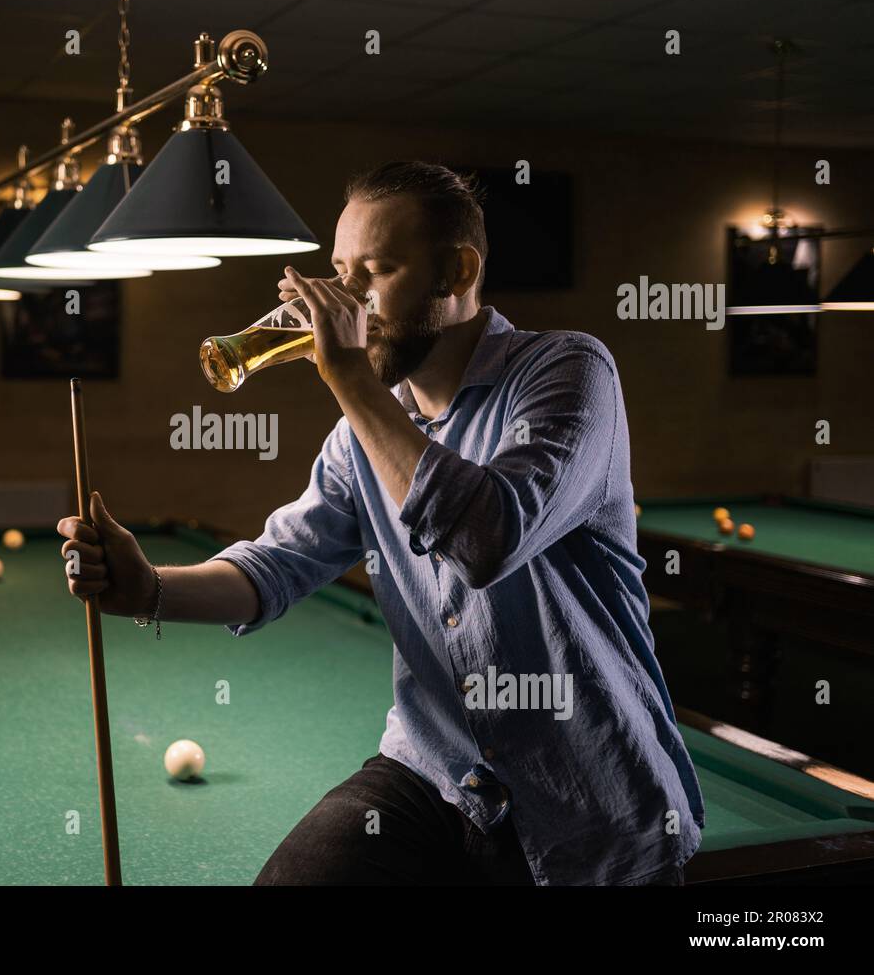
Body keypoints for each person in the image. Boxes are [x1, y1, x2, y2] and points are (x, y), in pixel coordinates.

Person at [56, 160, 703, 886]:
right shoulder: (359, 431)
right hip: (431, 774)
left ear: (457, 272)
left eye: (377, 270)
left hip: (588, 805)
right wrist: (149, 589)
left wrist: (352, 379)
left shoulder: (568, 371)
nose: (348, 300)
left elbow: (489, 539)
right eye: (339, 272)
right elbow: (276, 565)